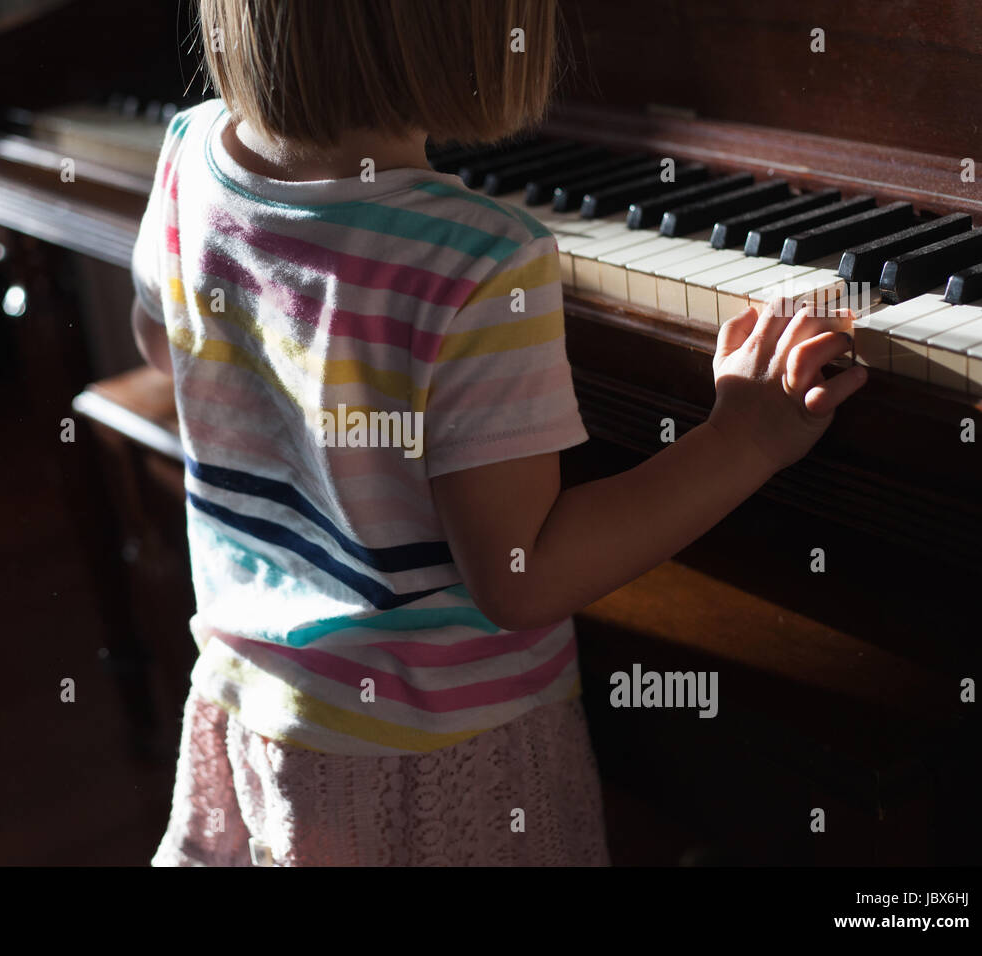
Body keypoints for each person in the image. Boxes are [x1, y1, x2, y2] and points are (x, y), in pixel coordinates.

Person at [129, 0, 865, 866]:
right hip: (436, 755)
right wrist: (743, 440)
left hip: (260, 713)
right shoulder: (478, 256)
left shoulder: (190, 154)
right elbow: (522, 577)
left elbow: (164, 347)